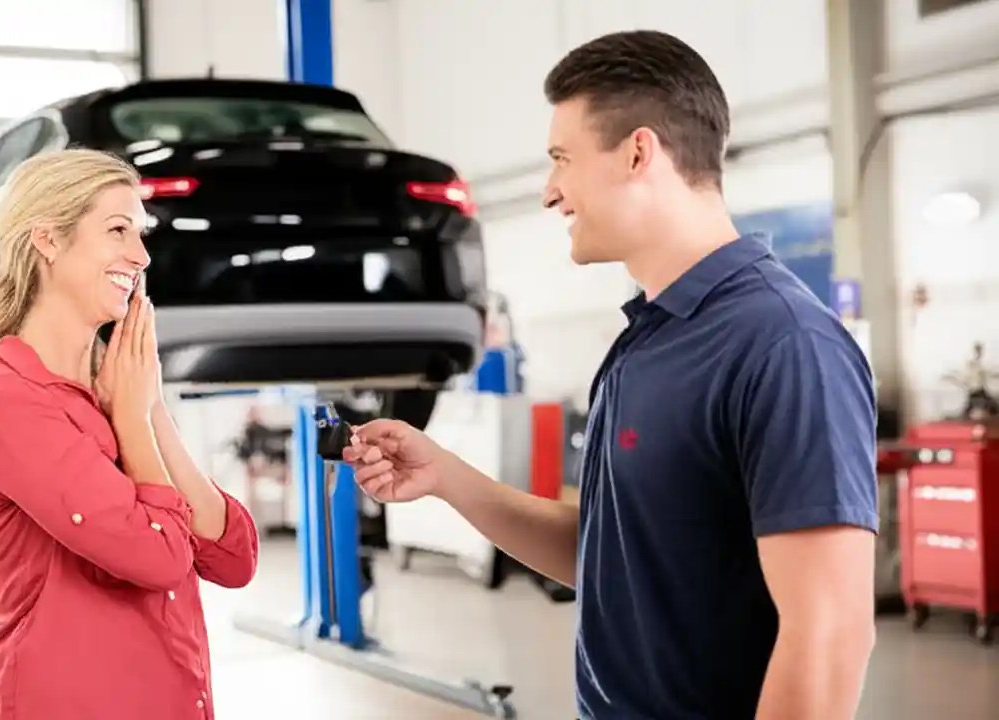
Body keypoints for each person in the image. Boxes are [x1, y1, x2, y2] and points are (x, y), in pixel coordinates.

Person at [343, 30, 878, 720]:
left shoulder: (783, 344)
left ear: (637, 153)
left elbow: (831, 636)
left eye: (562, 159)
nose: (550, 192)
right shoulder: (646, 342)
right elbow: (611, 562)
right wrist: (447, 476)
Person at [0, 149, 259, 720]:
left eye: (141, 234)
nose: (140, 256)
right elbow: (161, 557)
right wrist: (133, 419)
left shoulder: (117, 394)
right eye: (118, 229)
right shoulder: (5, 402)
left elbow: (232, 559)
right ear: (47, 240)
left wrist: (150, 408)